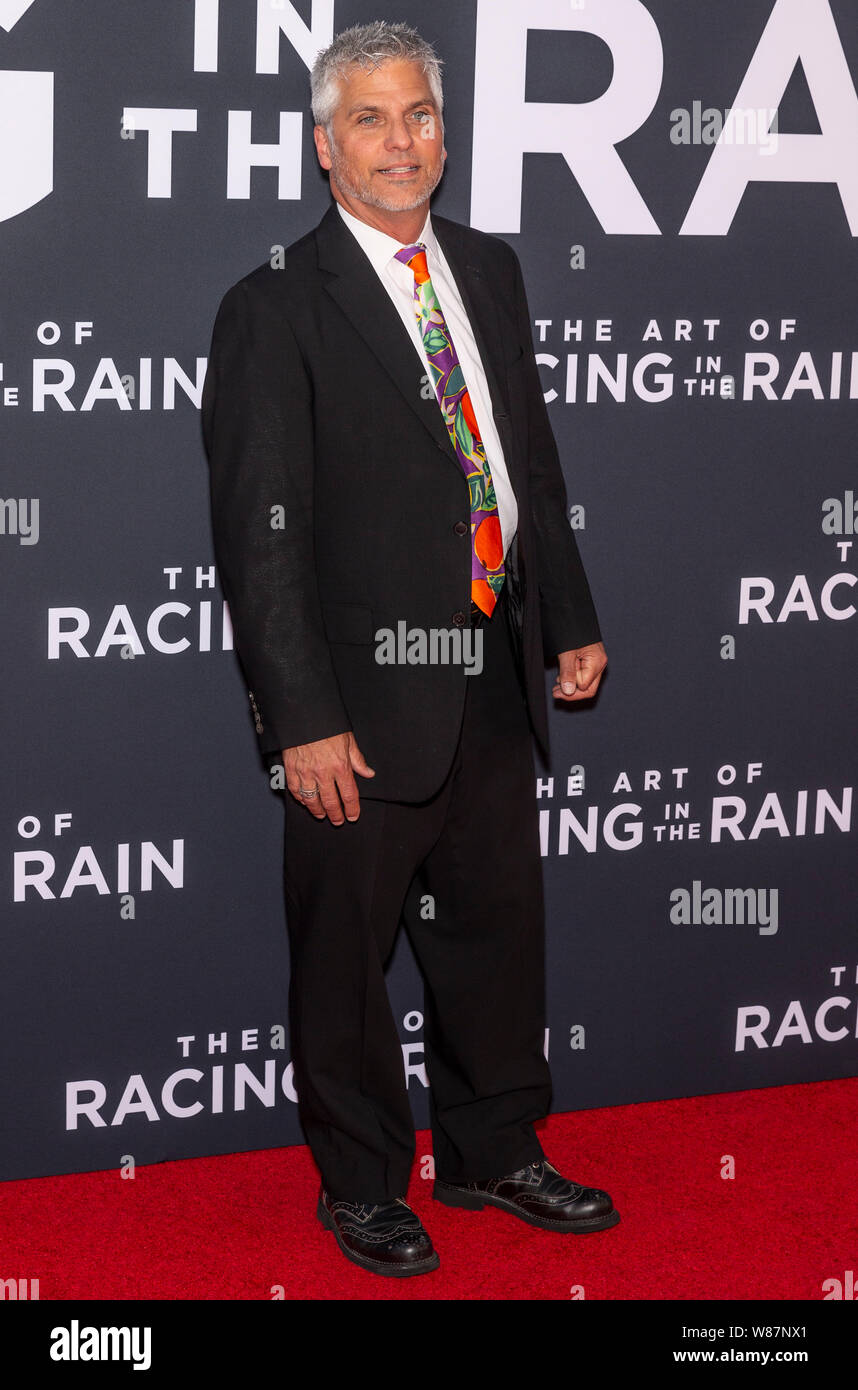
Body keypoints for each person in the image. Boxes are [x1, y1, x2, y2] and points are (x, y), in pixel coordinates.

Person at [201, 20, 618, 1279]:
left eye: (421, 117)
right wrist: (301, 714)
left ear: (446, 132)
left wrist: (572, 617)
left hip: (489, 667)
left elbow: (525, 465)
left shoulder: (488, 270)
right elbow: (256, 536)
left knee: (497, 933)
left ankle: (495, 1150)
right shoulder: (273, 305)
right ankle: (361, 1183)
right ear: (326, 147)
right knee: (344, 962)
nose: (402, 143)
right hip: (358, 701)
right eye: (372, 121)